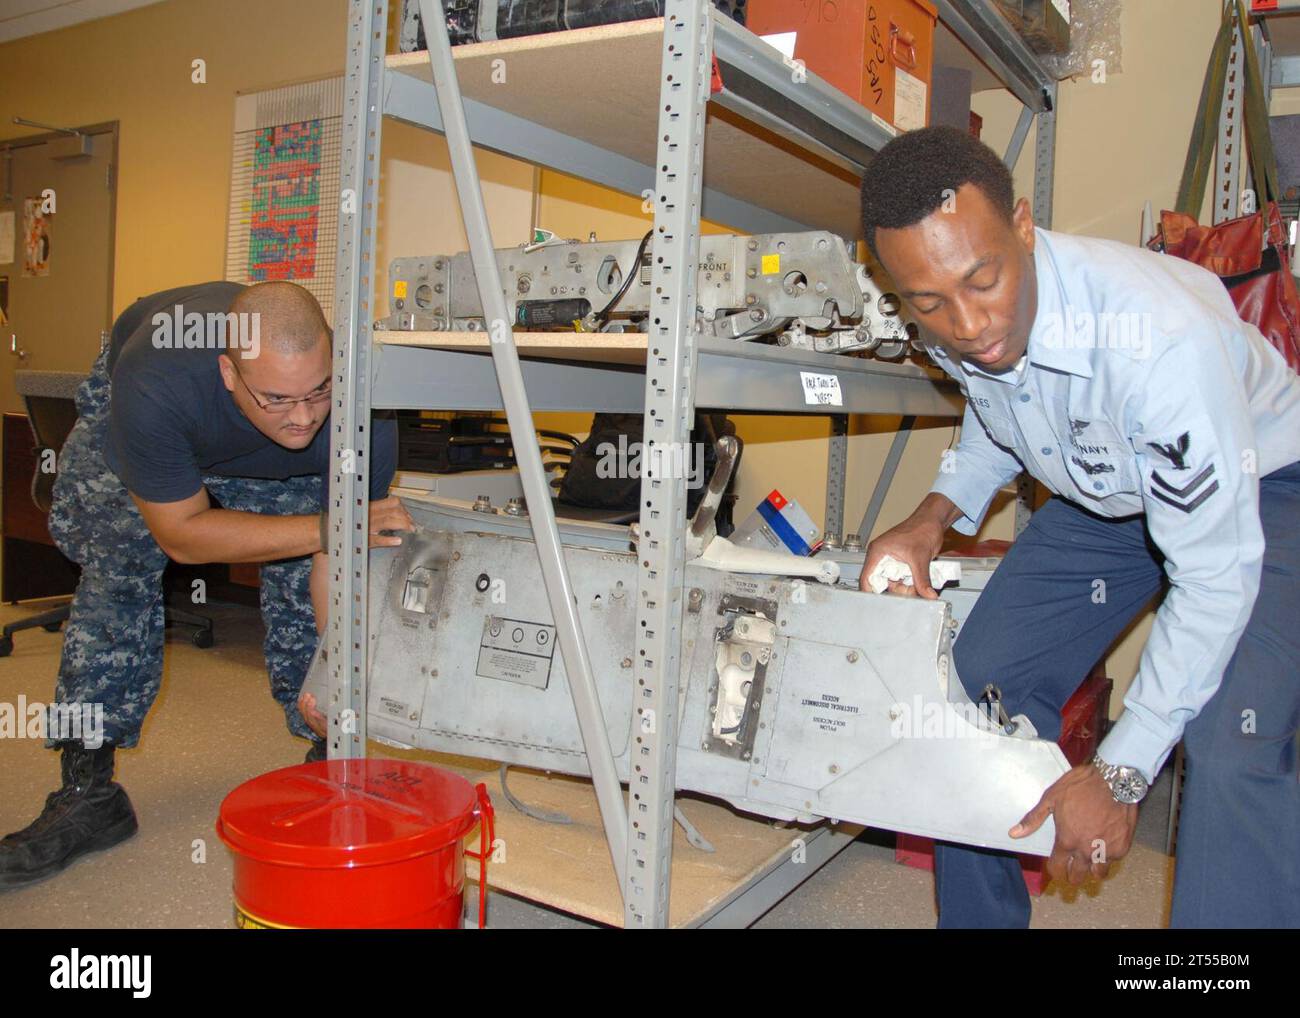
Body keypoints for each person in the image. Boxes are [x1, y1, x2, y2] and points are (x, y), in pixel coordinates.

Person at [858, 126, 1300, 928]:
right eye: (929, 303)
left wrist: (1122, 772)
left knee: (1233, 748)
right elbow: (999, 414)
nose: (967, 325)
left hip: (1266, 484)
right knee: (970, 684)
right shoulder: (949, 304)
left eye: (982, 280)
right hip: (1113, 493)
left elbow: (1210, 576)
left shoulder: (1162, 344)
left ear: (1023, 225)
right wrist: (935, 516)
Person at [0, 280, 411, 890]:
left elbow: (342, 553)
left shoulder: (365, 401)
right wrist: (325, 524)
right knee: (116, 578)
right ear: (228, 372)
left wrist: (335, 678)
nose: (302, 418)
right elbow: (183, 536)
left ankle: (327, 762)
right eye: (277, 397)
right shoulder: (157, 382)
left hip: (255, 448)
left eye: (319, 391)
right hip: (164, 426)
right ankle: (87, 794)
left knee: (306, 581)